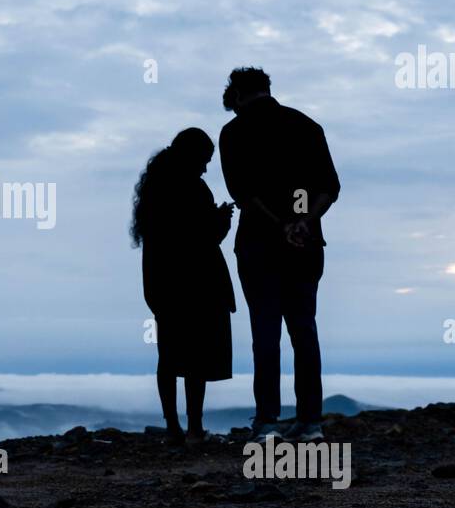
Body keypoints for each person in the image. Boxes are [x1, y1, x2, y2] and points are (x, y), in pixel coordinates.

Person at [219, 67, 340, 442]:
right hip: (306, 247)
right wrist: (302, 221)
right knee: (304, 330)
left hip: (258, 246)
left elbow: (245, 194)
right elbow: (329, 188)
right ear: (267, 89)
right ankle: (311, 422)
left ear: (237, 94)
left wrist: (279, 225)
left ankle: (268, 422)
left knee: (265, 333)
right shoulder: (306, 126)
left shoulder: (234, 132)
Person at [131, 128, 236, 446]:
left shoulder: (154, 190)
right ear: (193, 156)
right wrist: (223, 219)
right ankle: (194, 428)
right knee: (197, 359)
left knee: (169, 355)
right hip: (198, 284)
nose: (205, 168)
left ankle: (174, 428)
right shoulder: (194, 188)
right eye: (204, 161)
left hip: (163, 285)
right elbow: (203, 238)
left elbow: (164, 241)